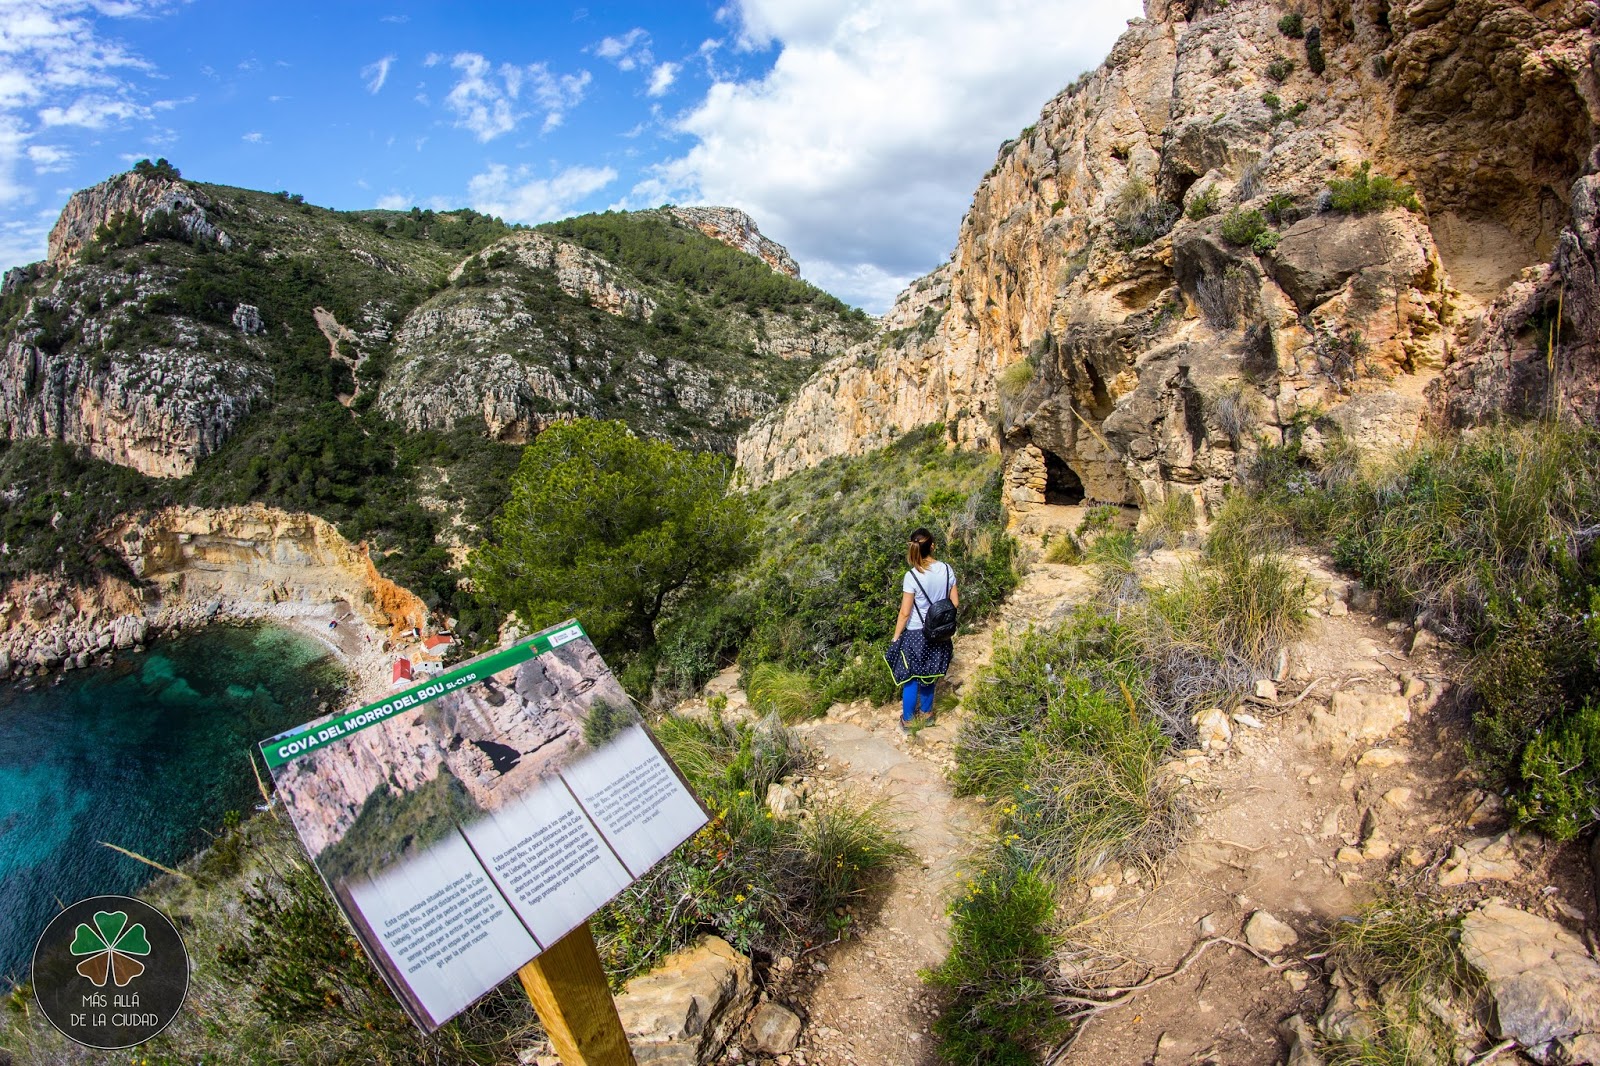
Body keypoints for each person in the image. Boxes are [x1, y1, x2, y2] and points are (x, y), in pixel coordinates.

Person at [887, 527, 958, 733]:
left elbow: (905, 612)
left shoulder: (912, 576)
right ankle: (927, 715)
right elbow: (954, 602)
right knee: (930, 673)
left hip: (917, 632)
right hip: (939, 632)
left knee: (910, 677)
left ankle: (908, 720)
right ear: (932, 546)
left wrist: (896, 636)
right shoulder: (947, 569)